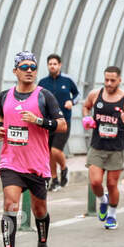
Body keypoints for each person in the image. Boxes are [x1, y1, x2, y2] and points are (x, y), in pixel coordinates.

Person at [0, 51, 66, 247]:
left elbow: (62, 125)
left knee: (39, 210)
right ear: (15, 71)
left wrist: (39, 121)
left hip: (36, 163)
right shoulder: (5, 96)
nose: (29, 71)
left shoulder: (44, 96)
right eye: (24, 67)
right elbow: (0, 121)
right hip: (11, 161)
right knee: (10, 204)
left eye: (33, 67)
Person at [82, 66, 124, 230]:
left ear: (119, 80)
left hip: (116, 148)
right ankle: (103, 200)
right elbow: (86, 106)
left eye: (113, 80)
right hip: (97, 146)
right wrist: (86, 119)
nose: (109, 83)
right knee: (95, 182)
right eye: (106, 80)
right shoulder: (95, 94)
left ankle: (112, 214)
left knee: (112, 184)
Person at [38, 54, 79, 189]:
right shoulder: (43, 83)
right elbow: (36, 98)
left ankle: (64, 168)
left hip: (63, 121)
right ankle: (54, 179)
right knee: (49, 153)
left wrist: (71, 102)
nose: (52, 66)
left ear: (60, 65)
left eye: (55, 64)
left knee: (56, 150)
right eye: (50, 64)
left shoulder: (67, 80)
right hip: (48, 122)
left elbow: (78, 95)